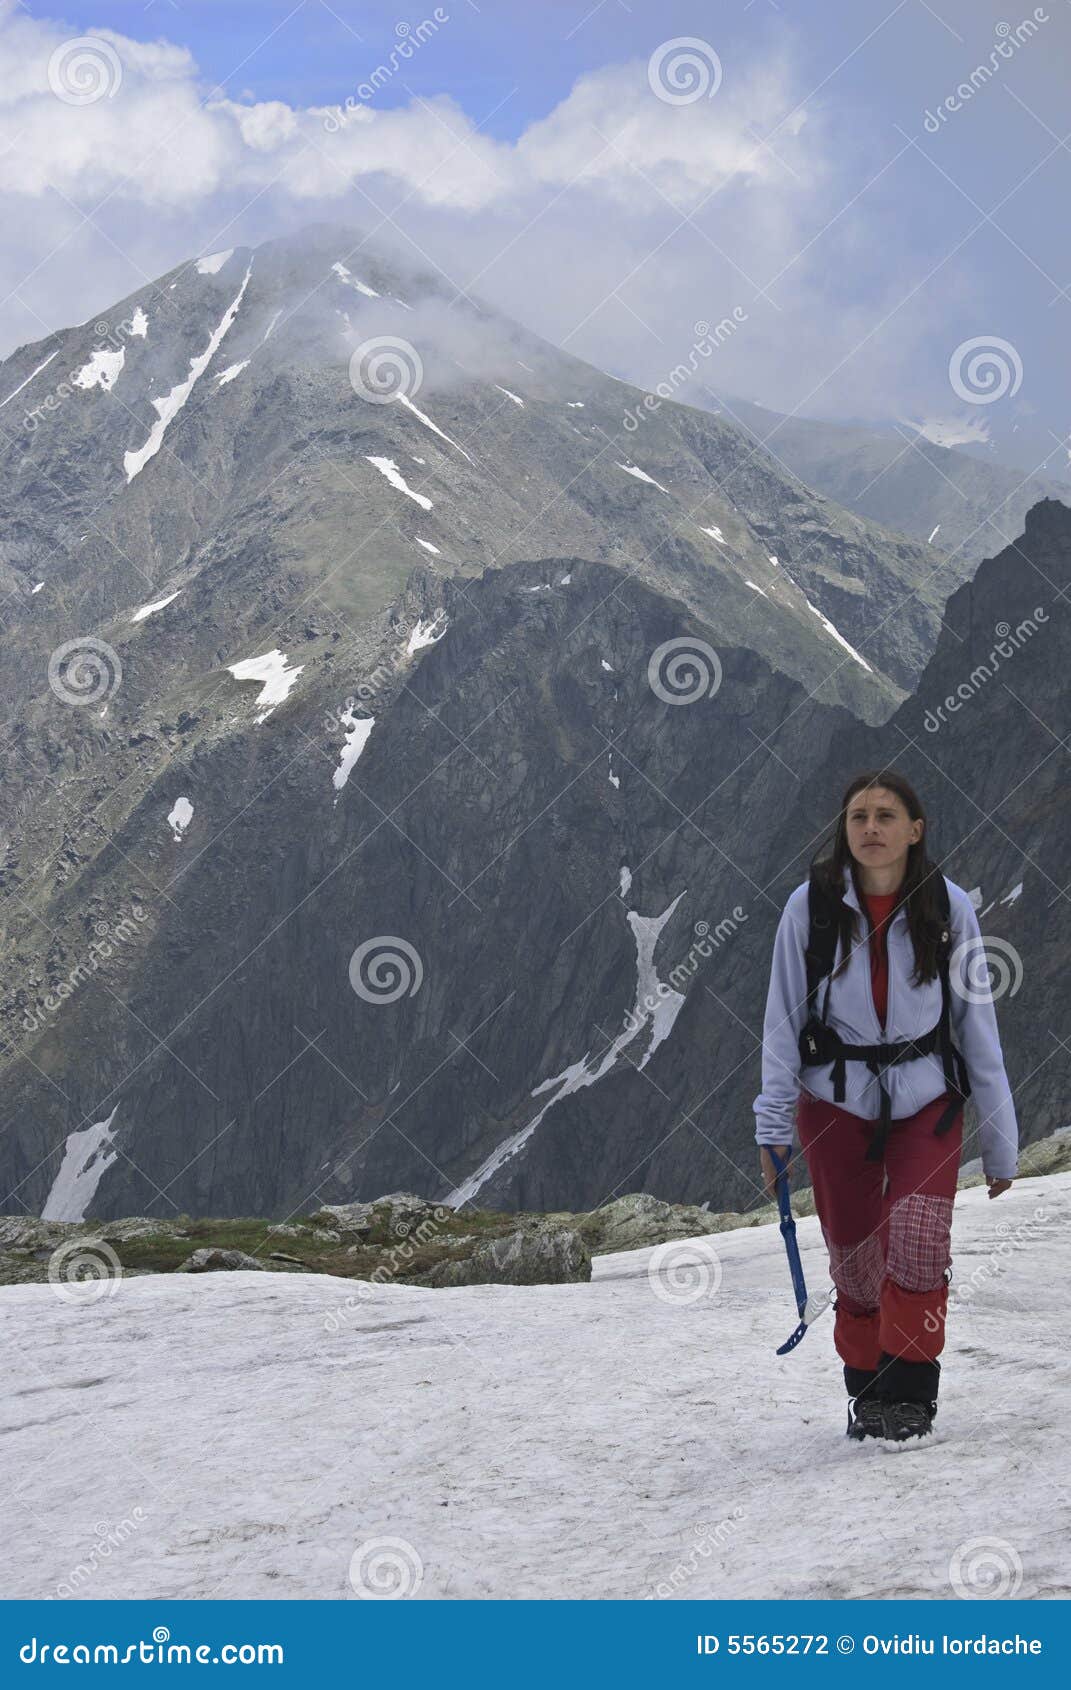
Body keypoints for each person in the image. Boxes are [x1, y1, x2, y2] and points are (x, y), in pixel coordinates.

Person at [752, 769, 1018, 1442]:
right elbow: (781, 1025)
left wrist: (1000, 1143)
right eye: (858, 817)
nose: (870, 828)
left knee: (920, 1242)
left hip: (927, 1100)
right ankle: (867, 1389)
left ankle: (911, 1396)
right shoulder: (808, 909)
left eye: (885, 816)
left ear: (914, 830)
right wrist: (772, 1131)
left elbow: (976, 1027)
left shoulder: (948, 908)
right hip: (833, 1105)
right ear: (844, 830)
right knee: (854, 1260)